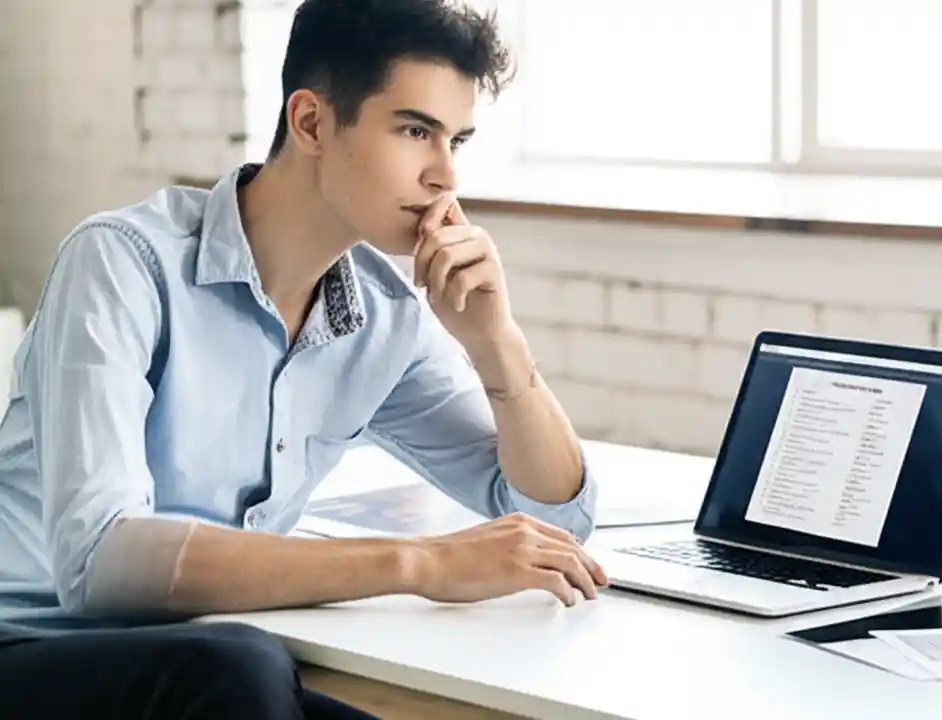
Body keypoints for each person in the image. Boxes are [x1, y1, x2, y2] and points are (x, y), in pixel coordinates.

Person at [0, 1, 608, 717]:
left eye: (458, 140)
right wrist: (421, 563)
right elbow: (99, 562)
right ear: (312, 122)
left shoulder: (384, 318)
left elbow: (552, 515)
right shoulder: (122, 263)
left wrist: (495, 343)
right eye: (415, 131)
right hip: (29, 643)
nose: (445, 175)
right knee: (243, 665)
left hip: (191, 656)